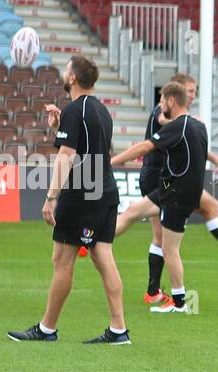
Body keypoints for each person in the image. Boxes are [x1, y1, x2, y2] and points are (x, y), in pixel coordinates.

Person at [7, 55, 128, 345]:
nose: (64, 73)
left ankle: (47, 329)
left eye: (66, 70)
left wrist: (50, 198)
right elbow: (89, 148)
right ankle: (118, 329)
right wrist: (58, 128)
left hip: (82, 195)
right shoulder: (101, 110)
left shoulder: (75, 110)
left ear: (73, 78)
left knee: (62, 259)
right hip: (105, 191)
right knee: (102, 256)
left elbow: (67, 156)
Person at [133, 72, 218, 308]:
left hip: (172, 180)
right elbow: (166, 122)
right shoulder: (162, 112)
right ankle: (160, 292)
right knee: (161, 236)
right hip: (158, 178)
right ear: (176, 94)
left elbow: (189, 137)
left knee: (209, 207)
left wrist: (214, 159)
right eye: (190, 91)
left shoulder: (184, 119)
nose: (193, 95)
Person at [109, 80, 210, 314]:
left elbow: (145, 147)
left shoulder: (179, 126)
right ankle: (93, 238)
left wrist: (112, 162)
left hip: (177, 195)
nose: (160, 105)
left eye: (163, 100)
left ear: (171, 101)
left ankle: (179, 302)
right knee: (133, 212)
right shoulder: (198, 126)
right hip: (172, 191)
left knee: (170, 249)